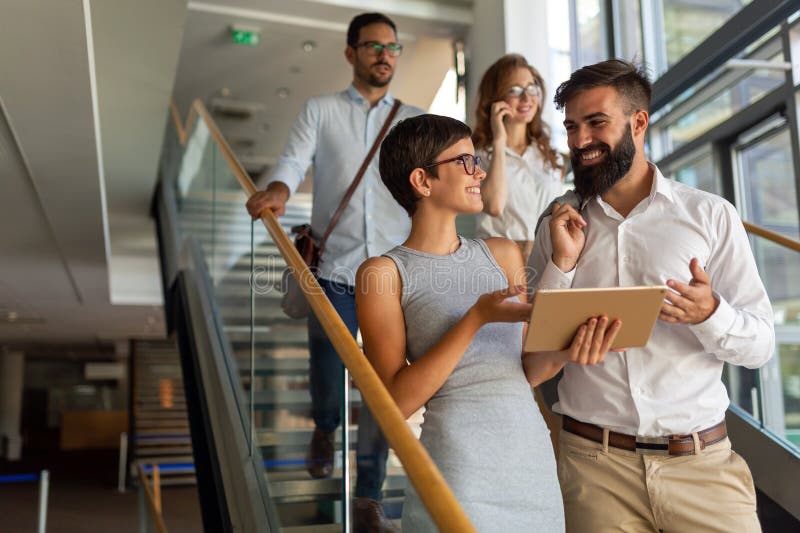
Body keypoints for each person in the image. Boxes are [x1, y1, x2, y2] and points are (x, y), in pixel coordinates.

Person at [529, 59, 775, 532]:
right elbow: (535, 352)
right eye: (572, 127)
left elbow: (761, 344)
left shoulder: (710, 216)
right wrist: (561, 267)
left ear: (638, 122)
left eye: (596, 123)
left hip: (703, 468)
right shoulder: (558, 225)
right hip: (593, 470)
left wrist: (711, 314)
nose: (580, 141)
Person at [357, 114, 620, 532]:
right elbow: (395, 404)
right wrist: (475, 319)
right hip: (458, 465)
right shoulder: (383, 273)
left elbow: (528, 369)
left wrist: (569, 348)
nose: (479, 170)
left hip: (530, 459)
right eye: (464, 162)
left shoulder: (502, 254)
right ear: (422, 181)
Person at [245, 12, 423, 532]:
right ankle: (324, 425)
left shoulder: (412, 118)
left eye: (392, 47)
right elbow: (293, 160)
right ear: (351, 53)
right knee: (328, 357)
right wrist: (279, 189)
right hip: (335, 264)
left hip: (394, 273)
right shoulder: (320, 110)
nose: (384, 55)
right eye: (372, 46)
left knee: (381, 385)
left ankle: (367, 495)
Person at [473, 54, 565, 261]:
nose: (526, 98)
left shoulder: (551, 157)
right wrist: (499, 141)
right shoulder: (479, 157)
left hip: (547, 259)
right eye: (514, 90)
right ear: (495, 99)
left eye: (531, 88)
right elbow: (494, 206)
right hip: (499, 262)